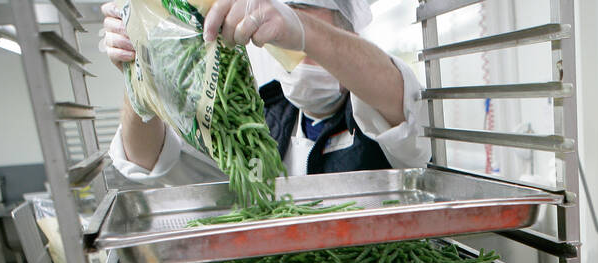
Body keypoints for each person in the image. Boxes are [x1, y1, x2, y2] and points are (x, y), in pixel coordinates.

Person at [101, 0, 429, 187]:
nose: (296, 55)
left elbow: (398, 94)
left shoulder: (375, 108)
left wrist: (304, 31)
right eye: (282, 40)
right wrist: (139, 73)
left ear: (347, 32)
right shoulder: (260, 115)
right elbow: (149, 161)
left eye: (299, 36)